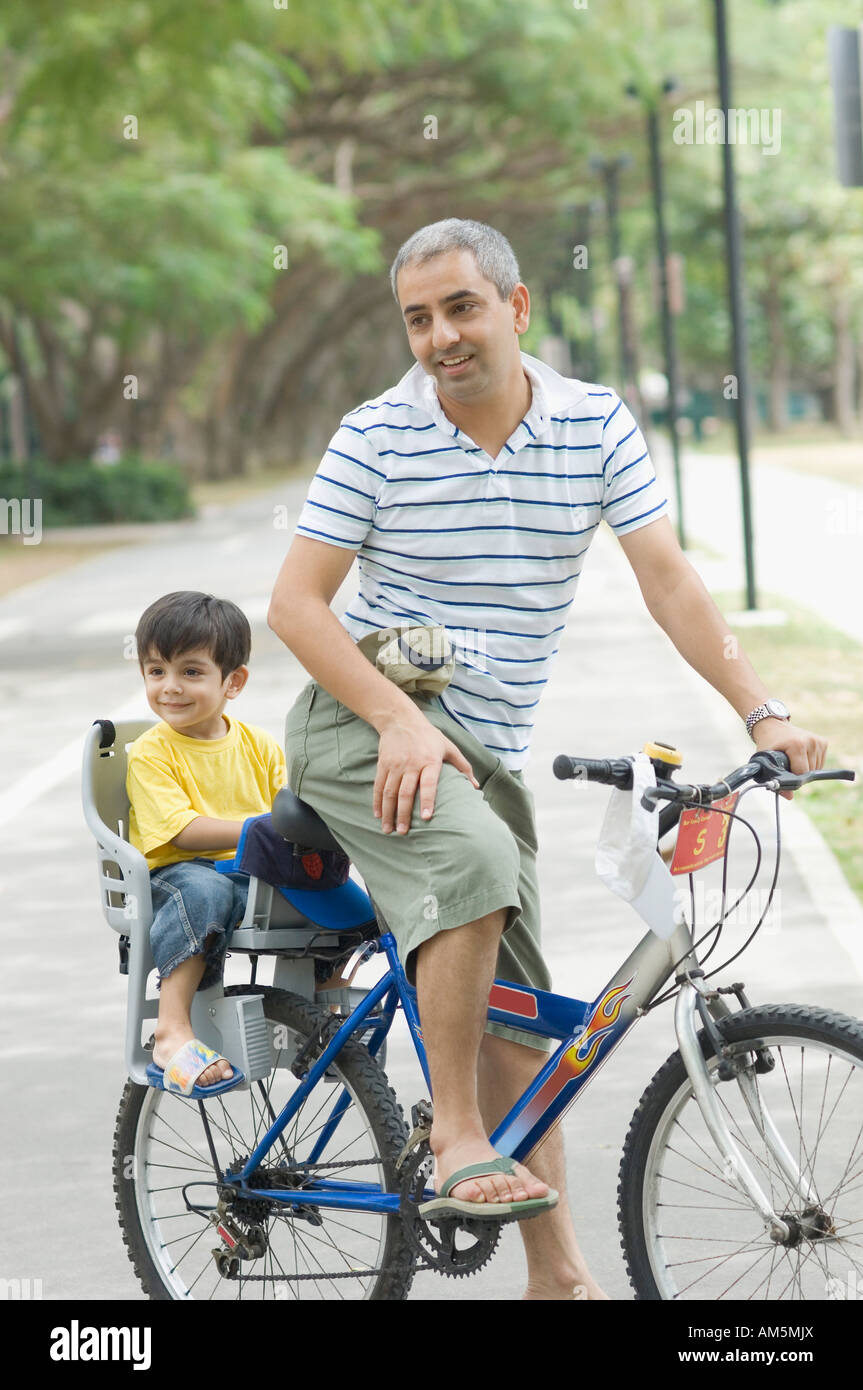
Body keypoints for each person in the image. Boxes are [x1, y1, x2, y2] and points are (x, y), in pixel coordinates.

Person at [267, 218, 827, 1299]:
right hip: (360, 723)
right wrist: (397, 719)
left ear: (516, 307)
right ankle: (454, 1135)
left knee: (519, 1016)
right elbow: (295, 605)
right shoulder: (376, 435)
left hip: (484, 754)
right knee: (475, 869)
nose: (441, 337)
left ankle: (557, 1278)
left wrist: (760, 712)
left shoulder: (592, 423)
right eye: (418, 319)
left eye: (461, 308)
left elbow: (667, 578)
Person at [126, 591, 287, 1097]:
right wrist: (260, 827)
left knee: (333, 891)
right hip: (175, 876)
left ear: (232, 682)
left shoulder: (260, 746)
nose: (170, 687)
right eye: (156, 671)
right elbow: (181, 831)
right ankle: (171, 1029)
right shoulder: (151, 752)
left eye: (191, 672)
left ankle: (323, 1005)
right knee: (205, 892)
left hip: (247, 871)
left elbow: (288, 813)